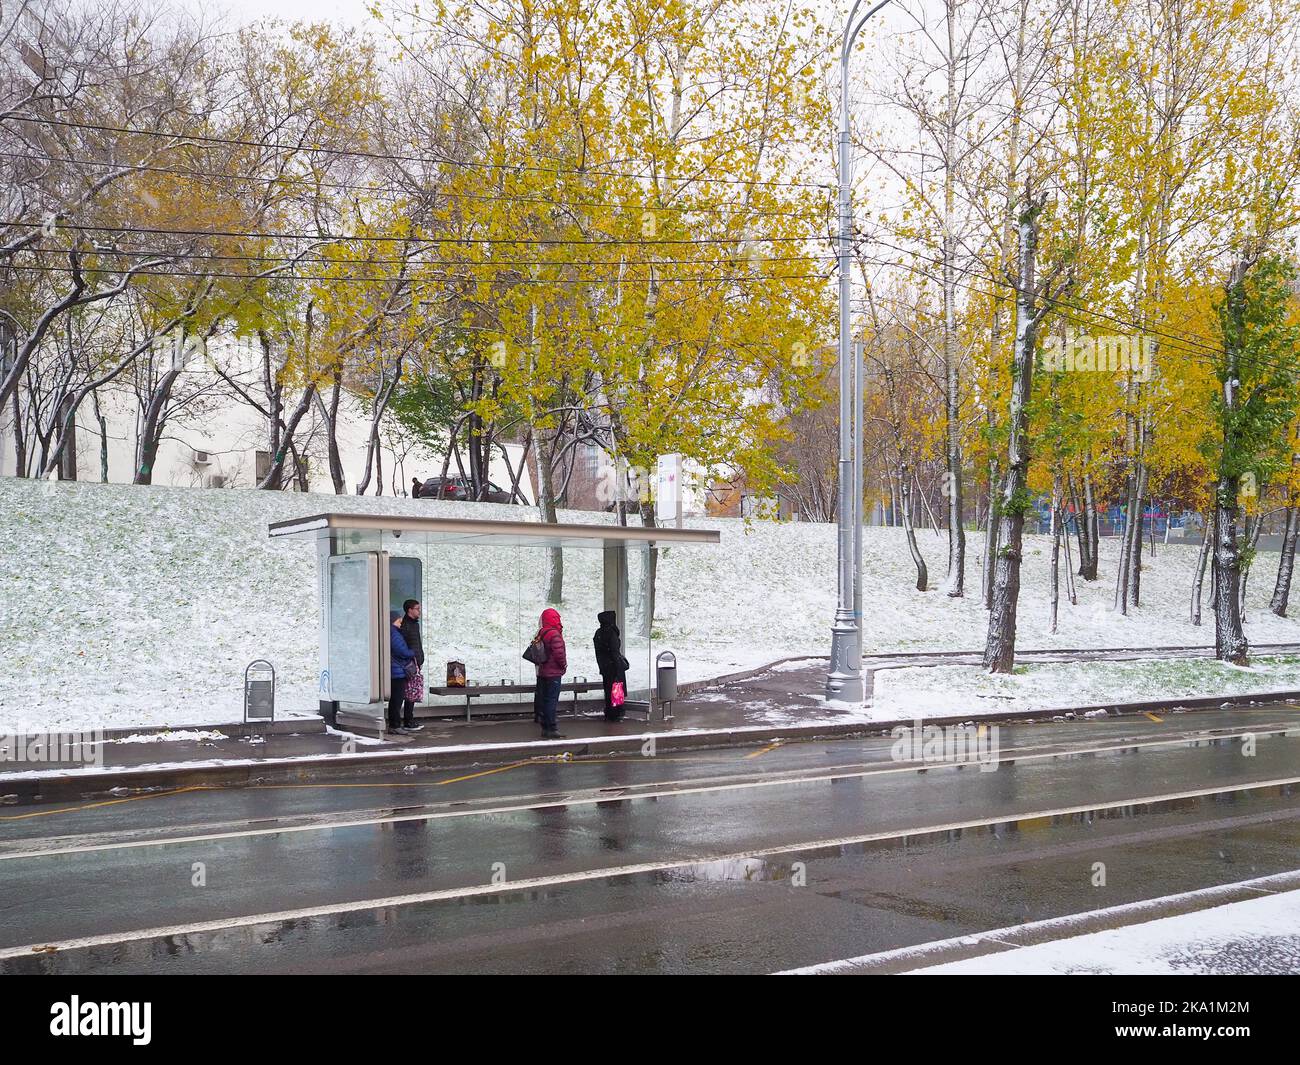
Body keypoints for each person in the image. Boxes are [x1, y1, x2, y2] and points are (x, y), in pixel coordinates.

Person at [532, 607, 567, 739]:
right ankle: (551, 727)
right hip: (553, 673)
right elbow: (559, 654)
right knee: (552, 700)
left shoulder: (541, 633)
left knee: (545, 699)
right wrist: (563, 665)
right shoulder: (554, 634)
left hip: (543, 672)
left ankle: (545, 727)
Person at [593, 610, 628, 722]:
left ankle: (610, 712)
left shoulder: (599, 633)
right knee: (617, 688)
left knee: (608, 690)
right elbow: (614, 652)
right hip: (613, 666)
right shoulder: (611, 633)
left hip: (604, 666)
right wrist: (619, 667)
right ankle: (616, 713)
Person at [388, 611, 416, 734]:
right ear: (393, 621)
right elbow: (401, 651)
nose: (400, 624)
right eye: (399, 621)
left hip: (394, 670)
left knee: (394, 699)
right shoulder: (394, 633)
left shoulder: (390, 632)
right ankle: (395, 726)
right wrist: (412, 652)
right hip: (397, 672)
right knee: (397, 699)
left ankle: (393, 725)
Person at [398, 599, 425, 732]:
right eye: (417, 609)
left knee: (412, 692)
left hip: (416, 662)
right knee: (407, 693)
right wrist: (411, 659)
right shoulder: (405, 626)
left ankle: (409, 720)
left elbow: (417, 643)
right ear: (410, 610)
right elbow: (403, 646)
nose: (419, 611)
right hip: (409, 664)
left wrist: (420, 659)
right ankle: (407, 721)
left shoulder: (414, 624)